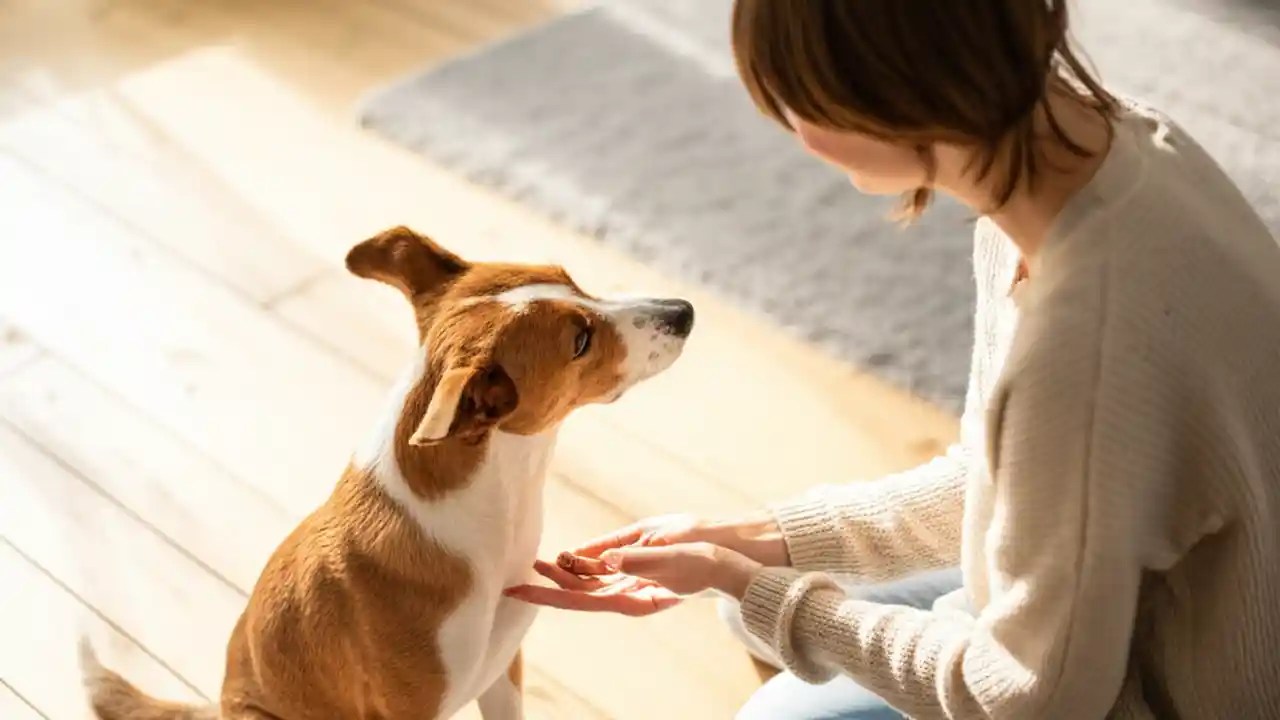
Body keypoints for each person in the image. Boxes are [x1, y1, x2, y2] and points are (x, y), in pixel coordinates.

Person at [505, 1, 1280, 717]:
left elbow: (1029, 699)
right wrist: (754, 538)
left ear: (891, 85)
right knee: (746, 605)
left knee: (774, 701)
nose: (795, 133)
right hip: (1134, 599)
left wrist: (760, 585)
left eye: (798, 101)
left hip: (1173, 687)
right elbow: (1013, 479)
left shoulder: (1084, 348)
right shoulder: (1095, 151)